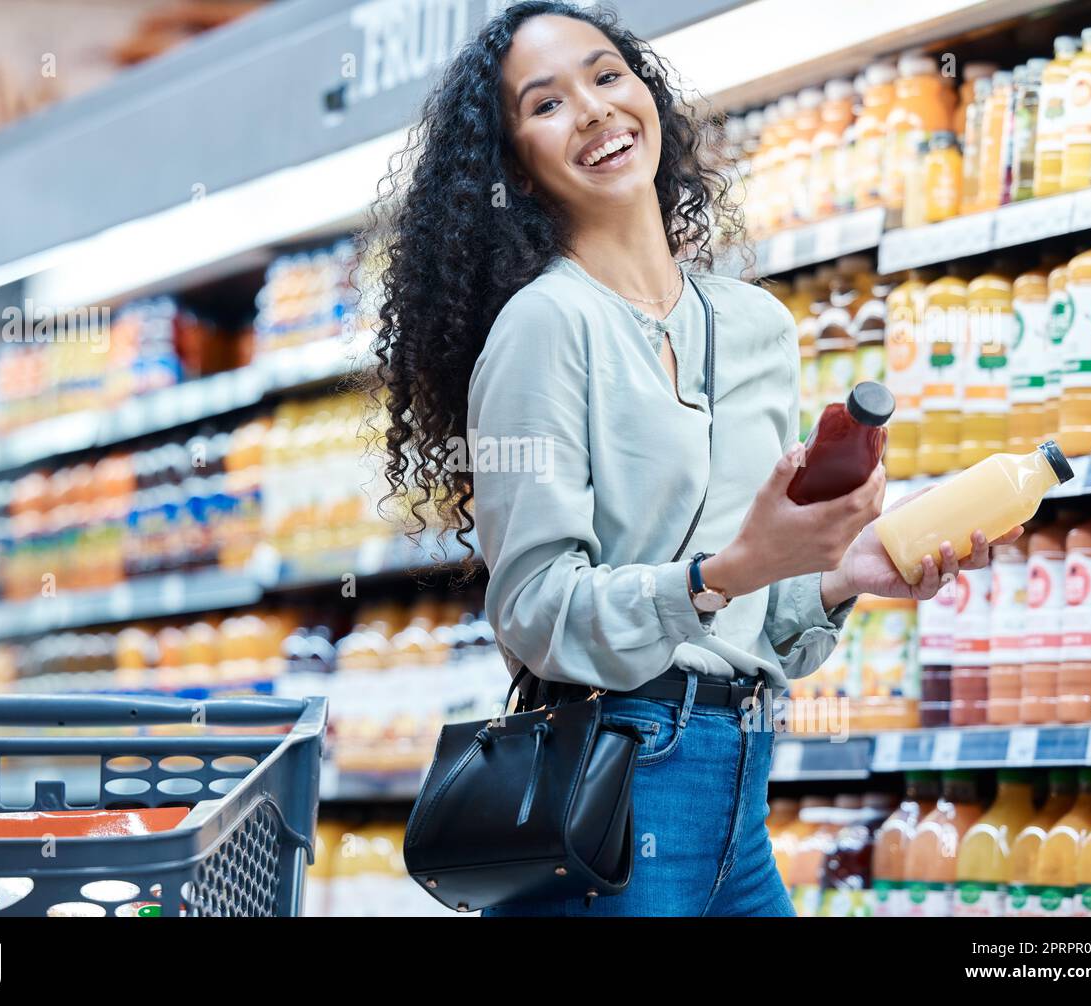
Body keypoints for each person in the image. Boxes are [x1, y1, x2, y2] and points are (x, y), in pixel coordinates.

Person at [363, 1, 1022, 917]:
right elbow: (534, 610)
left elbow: (746, 611)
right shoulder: (546, 329)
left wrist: (837, 576)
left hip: (742, 788)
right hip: (619, 785)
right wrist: (728, 570)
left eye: (605, 76)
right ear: (513, 166)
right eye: (545, 105)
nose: (593, 111)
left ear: (646, 94)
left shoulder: (757, 327)